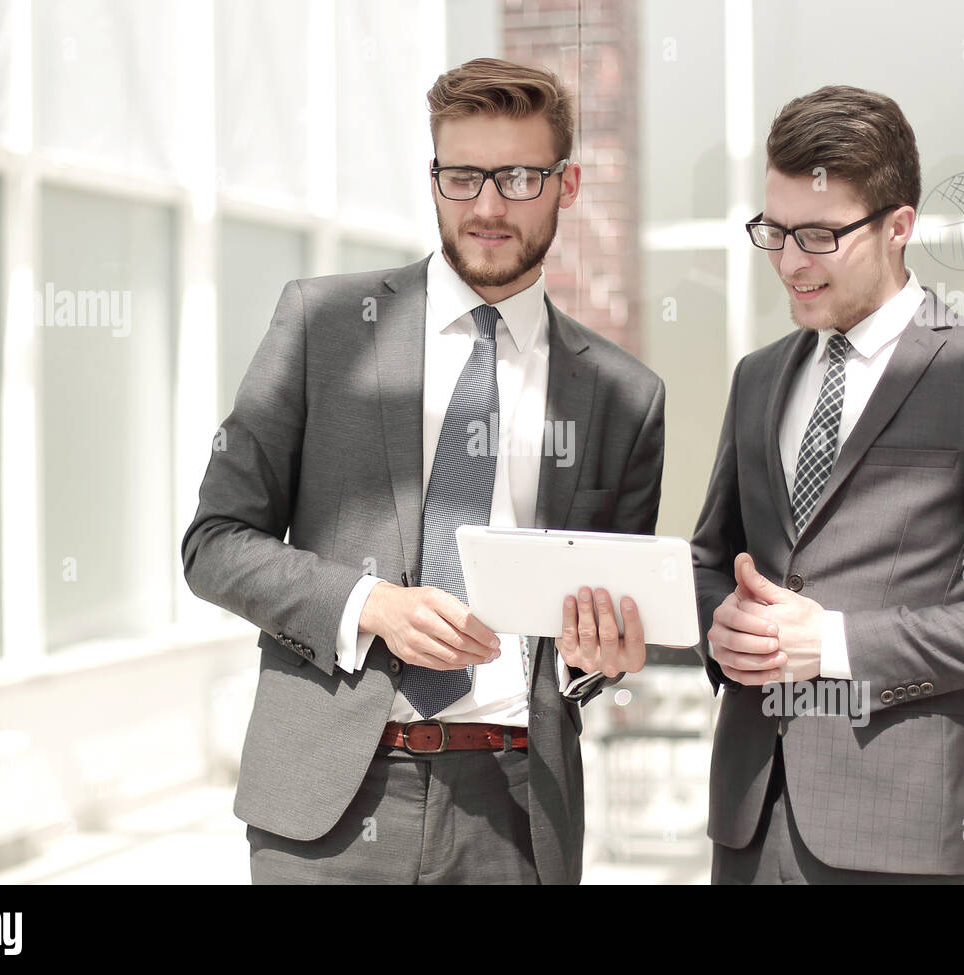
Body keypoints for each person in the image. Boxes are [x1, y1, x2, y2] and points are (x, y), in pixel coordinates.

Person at [182, 57, 665, 884]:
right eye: (462, 176)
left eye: (517, 177)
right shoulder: (321, 325)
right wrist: (371, 605)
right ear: (433, 176)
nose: (486, 206)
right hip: (326, 803)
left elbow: (591, 635)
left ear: (567, 183)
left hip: (515, 810)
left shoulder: (624, 394)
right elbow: (215, 543)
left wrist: (600, 654)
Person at [691, 85, 964, 884]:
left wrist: (834, 642)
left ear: (898, 226)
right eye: (774, 231)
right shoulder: (758, 375)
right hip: (748, 826)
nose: (791, 262)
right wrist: (720, 624)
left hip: (901, 836)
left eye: (818, 234)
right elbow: (713, 557)